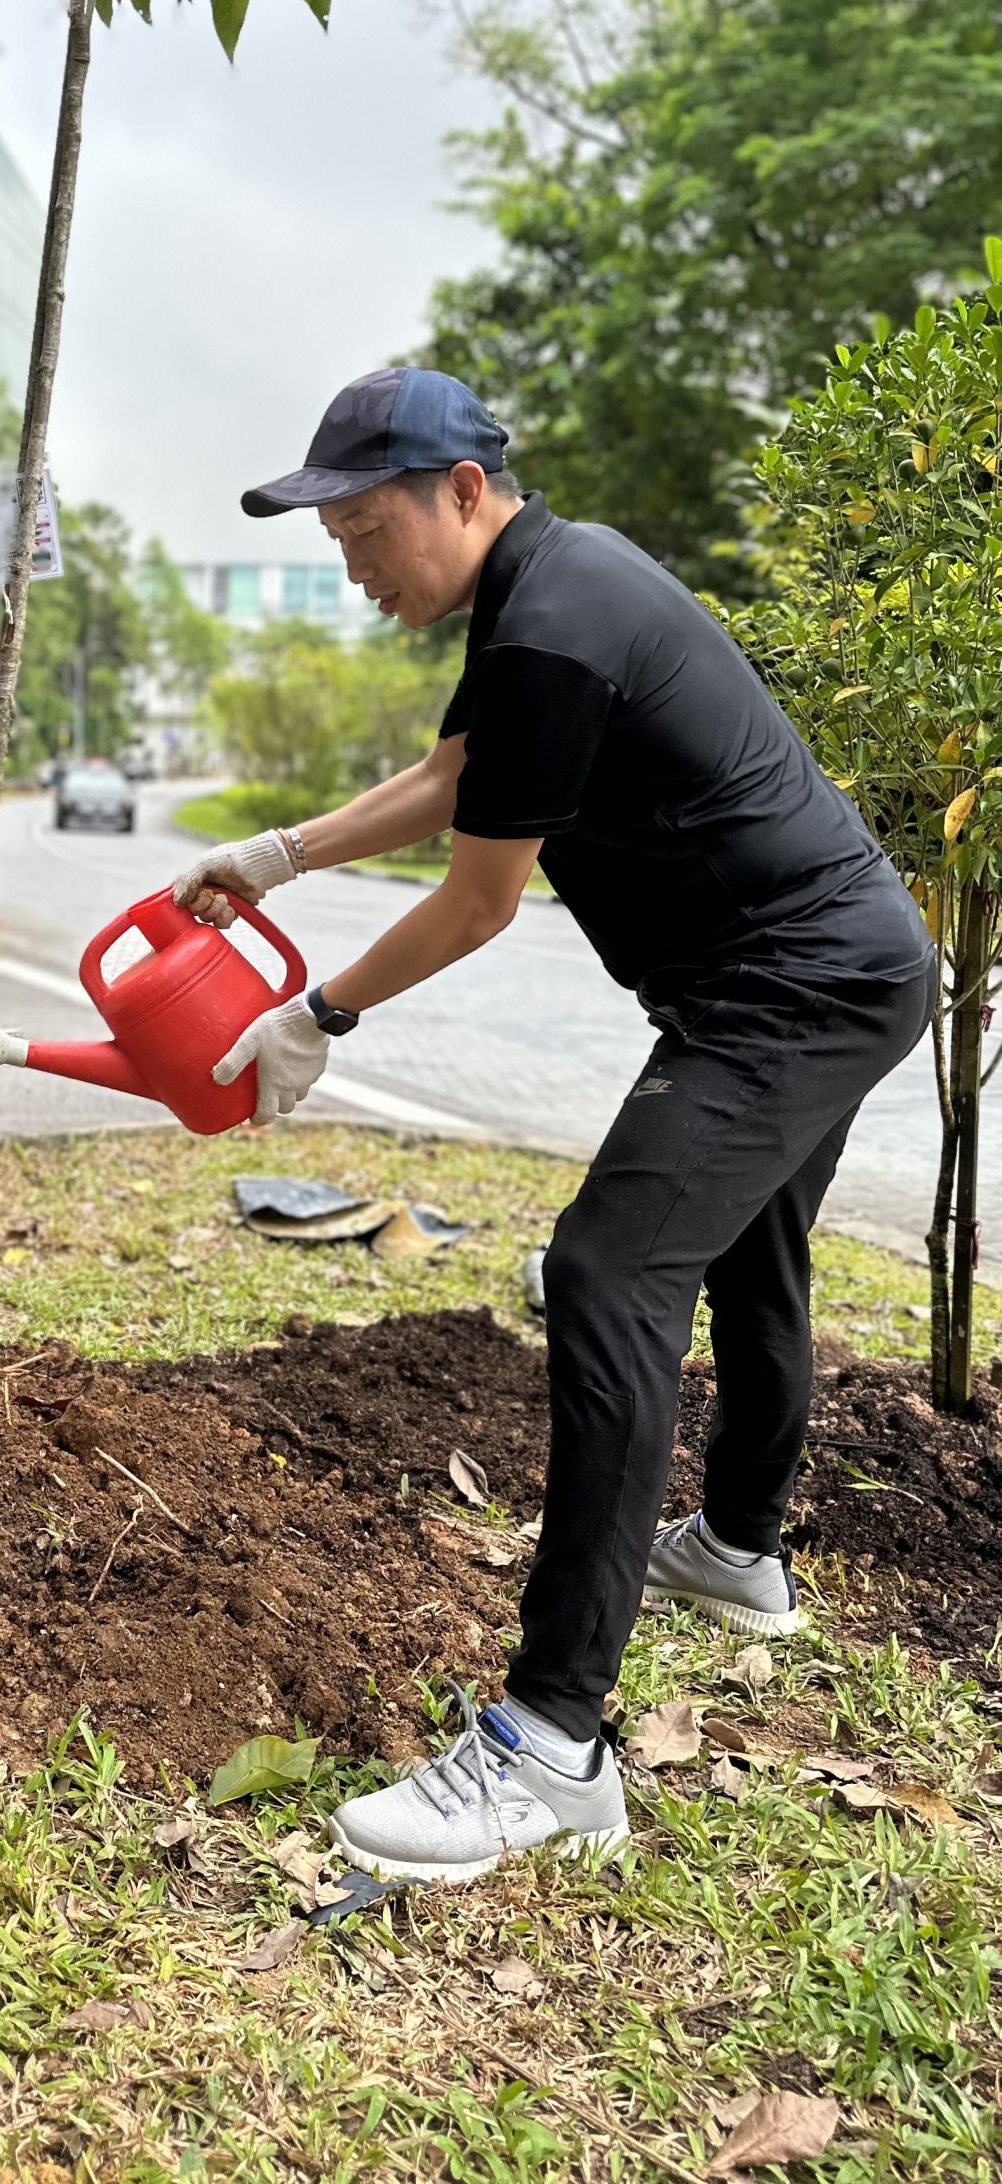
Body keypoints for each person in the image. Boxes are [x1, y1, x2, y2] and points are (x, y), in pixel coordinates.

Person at [176, 364, 932, 1888]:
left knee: (609, 1271)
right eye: (332, 538)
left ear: (464, 491)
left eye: (367, 527)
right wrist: (280, 855)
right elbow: (467, 778)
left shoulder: (553, 619)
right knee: (741, 1259)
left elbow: (479, 895)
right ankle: (737, 1553)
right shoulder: (547, 593)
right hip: (843, 965)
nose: (354, 561)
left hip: (786, 987)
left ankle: (551, 1745)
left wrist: (317, 1019)